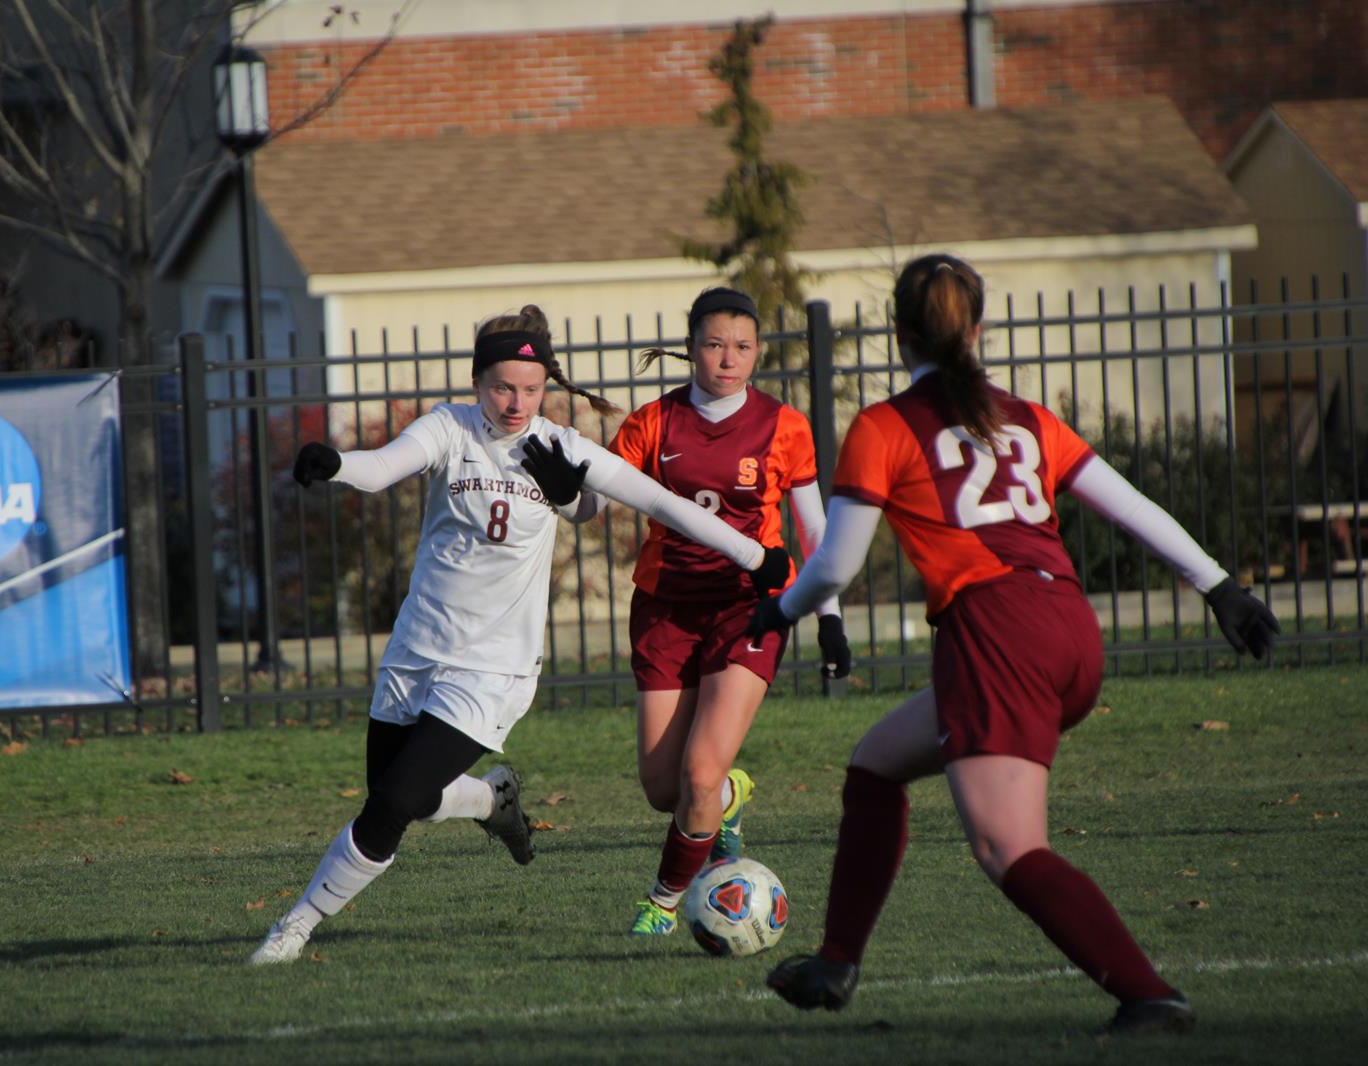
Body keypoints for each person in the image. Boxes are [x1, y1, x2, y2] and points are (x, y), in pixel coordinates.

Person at [749, 254, 1280, 1034]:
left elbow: (837, 562)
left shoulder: (885, 426)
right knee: (874, 765)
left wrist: (782, 610)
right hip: (1068, 631)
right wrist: (1220, 587)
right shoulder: (1024, 416)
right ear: (980, 329)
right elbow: (1128, 503)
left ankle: (1149, 993)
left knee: (1008, 849)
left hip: (995, 635)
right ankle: (836, 963)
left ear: (900, 334)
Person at [250, 305, 790, 965]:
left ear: (545, 389)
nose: (516, 402)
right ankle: (490, 799)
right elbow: (383, 466)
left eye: (530, 390)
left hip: (493, 670)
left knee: (392, 804)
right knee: (399, 792)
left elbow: (663, 504)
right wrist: (334, 463)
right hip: (416, 652)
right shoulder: (450, 427)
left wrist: (756, 557)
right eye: (503, 387)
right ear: (478, 383)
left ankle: (292, 929)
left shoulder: (560, 446)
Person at [537, 286, 851, 937]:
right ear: (690, 348)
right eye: (714, 344)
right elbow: (593, 505)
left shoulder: (783, 426)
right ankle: (729, 799)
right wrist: (565, 494)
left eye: (741, 346)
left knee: (698, 773)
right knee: (665, 789)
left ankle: (663, 902)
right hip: (666, 609)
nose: (727, 359)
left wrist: (829, 618)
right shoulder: (653, 423)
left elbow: (814, 531)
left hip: (750, 610)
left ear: (758, 351)